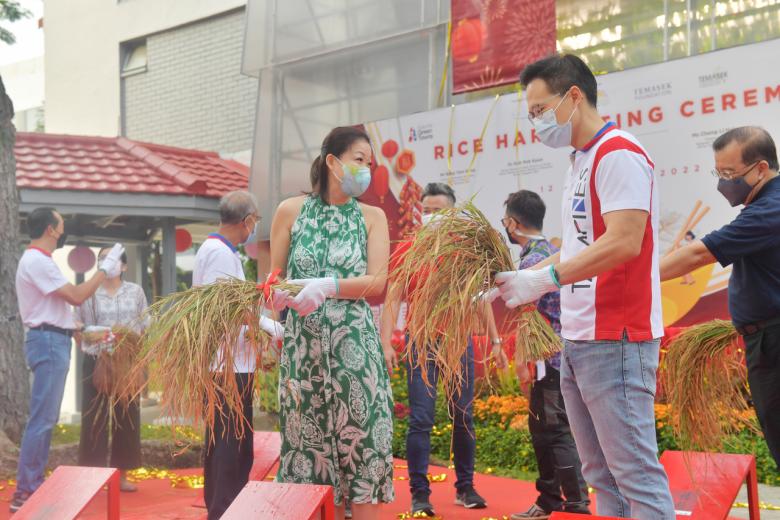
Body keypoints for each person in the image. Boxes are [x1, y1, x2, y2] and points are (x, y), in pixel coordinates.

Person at [491, 55, 675, 519]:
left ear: (574, 96)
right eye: (530, 114)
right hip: (577, 338)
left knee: (634, 474)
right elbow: (577, 246)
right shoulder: (580, 160)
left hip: (616, 336)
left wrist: (546, 278)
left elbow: (625, 241)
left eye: (539, 110)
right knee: (601, 475)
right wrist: (528, 278)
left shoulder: (618, 154)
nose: (535, 123)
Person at [269, 126, 395, 520]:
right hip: (302, 360)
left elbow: (378, 282)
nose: (366, 170)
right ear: (332, 162)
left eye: (370, 164)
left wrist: (328, 286)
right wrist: (275, 304)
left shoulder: (372, 217)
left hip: (355, 357)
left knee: (364, 455)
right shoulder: (290, 211)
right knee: (308, 462)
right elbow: (274, 277)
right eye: (359, 160)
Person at [660, 126, 780, 468]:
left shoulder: (769, 211)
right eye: (718, 172)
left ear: (760, 168)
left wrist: (638, 279)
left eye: (729, 174)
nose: (722, 183)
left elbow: (699, 254)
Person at [381, 182, 493, 516]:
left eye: (439, 211)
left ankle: (466, 487)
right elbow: (393, 297)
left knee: (464, 416)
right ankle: (419, 493)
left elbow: (481, 299)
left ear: (455, 212)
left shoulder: (465, 250)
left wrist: (496, 340)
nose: (431, 217)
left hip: (458, 340)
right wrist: (386, 340)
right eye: (426, 211)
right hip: (421, 341)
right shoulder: (411, 248)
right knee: (421, 418)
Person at [12, 207, 124, 512]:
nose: (63, 230)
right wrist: (104, 269)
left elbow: (57, 310)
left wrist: (86, 332)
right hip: (48, 342)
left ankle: (31, 483)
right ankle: (26, 489)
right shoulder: (37, 260)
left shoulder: (40, 260)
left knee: (45, 418)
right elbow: (76, 296)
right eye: (61, 225)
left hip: (52, 339)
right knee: (43, 419)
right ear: (51, 229)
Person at [194, 191, 285, 520]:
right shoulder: (220, 254)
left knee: (225, 439)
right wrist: (274, 330)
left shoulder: (215, 249)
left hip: (225, 361)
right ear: (247, 220)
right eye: (255, 221)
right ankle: (225, 509)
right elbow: (231, 311)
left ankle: (221, 507)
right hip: (227, 363)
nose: (253, 228)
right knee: (231, 442)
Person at [499, 190, 590, 519]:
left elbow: (529, 318)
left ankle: (576, 503)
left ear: (513, 223)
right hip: (556, 357)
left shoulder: (533, 260)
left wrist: (523, 363)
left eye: (505, 221)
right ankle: (550, 498)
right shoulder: (549, 251)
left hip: (547, 360)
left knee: (554, 430)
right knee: (545, 431)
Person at [75, 247, 147, 492]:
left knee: (126, 417)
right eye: (102, 258)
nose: (107, 263)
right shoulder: (88, 292)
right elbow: (77, 326)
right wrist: (94, 337)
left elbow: (144, 325)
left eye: (113, 258)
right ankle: (91, 477)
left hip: (127, 361)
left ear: (124, 266)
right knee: (94, 416)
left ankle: (122, 474)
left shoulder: (135, 292)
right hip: (96, 359)